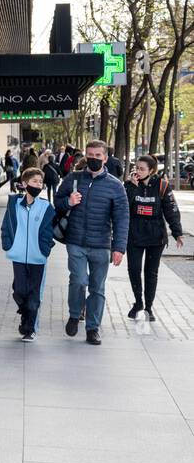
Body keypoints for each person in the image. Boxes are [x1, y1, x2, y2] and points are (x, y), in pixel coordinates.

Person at [53, 140, 130, 346]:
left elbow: (122, 218)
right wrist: (68, 202)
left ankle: (93, 328)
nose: (93, 159)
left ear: (105, 158)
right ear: (85, 156)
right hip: (76, 241)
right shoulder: (73, 178)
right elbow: (57, 202)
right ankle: (74, 314)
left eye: (98, 155)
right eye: (90, 155)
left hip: (102, 245)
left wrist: (119, 248)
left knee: (97, 288)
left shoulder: (115, 185)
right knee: (78, 280)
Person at [124, 155, 185, 321]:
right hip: (134, 236)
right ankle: (138, 302)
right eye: (136, 168)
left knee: (151, 273)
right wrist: (132, 187)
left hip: (155, 237)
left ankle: (149, 308)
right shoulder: (129, 185)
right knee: (134, 270)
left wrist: (177, 233)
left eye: (142, 169)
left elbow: (171, 210)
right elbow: (123, 208)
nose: (137, 171)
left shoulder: (162, 186)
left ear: (151, 170)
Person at [1, 167, 56, 341]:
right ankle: (25, 312)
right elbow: (5, 226)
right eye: (34, 181)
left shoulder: (46, 207)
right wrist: (8, 245)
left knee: (33, 294)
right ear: (25, 184)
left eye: (40, 182)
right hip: (17, 256)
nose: (38, 185)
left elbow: (49, 232)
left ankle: (29, 328)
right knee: (19, 290)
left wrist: (44, 249)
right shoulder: (14, 204)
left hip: (37, 258)